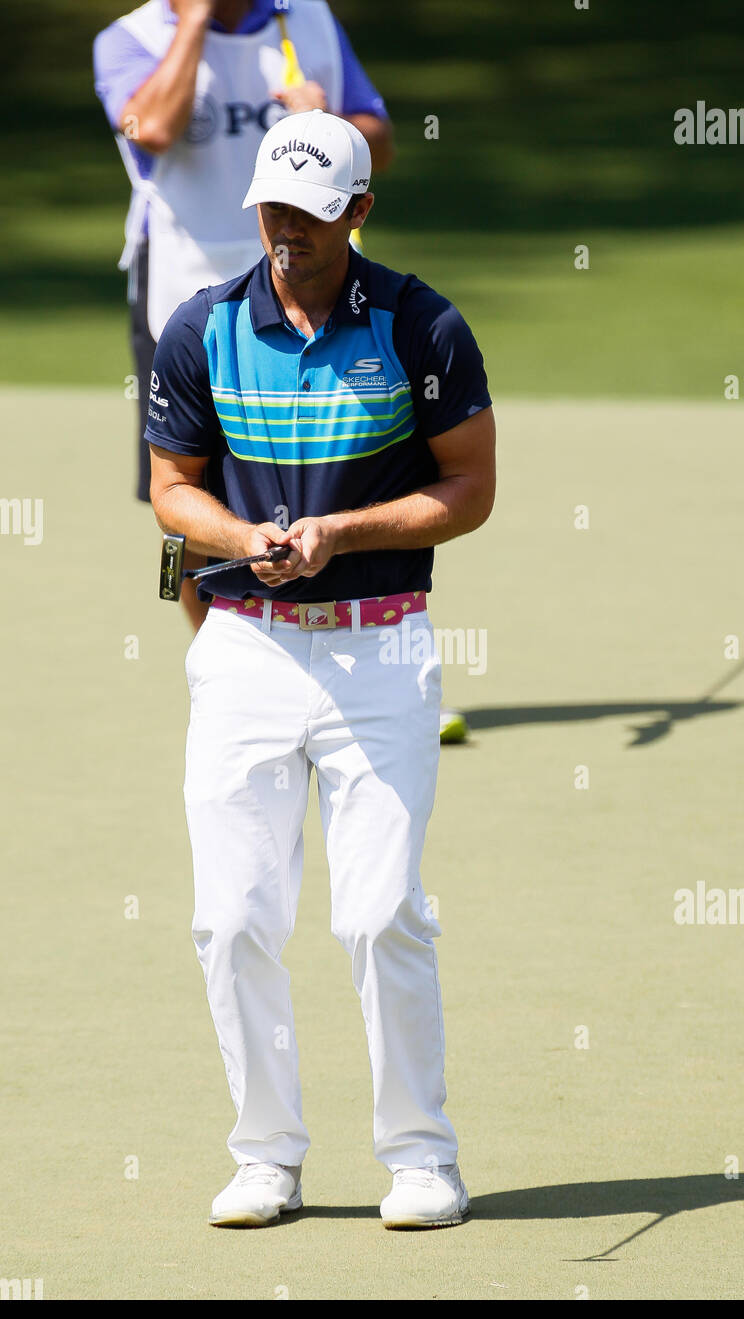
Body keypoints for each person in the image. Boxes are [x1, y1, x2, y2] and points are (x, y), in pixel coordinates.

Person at [146, 109, 496, 1228]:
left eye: (308, 209)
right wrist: (245, 540)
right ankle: (266, 1155)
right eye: (271, 207)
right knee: (232, 918)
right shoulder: (202, 325)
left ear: (357, 211)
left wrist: (341, 534)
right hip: (243, 649)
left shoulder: (419, 325)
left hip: (380, 647)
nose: (284, 228)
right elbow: (172, 487)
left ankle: (419, 1156)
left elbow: (469, 486)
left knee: (379, 910)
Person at [93, 0, 393, 626]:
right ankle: (217, 665)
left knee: (352, 476)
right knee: (189, 497)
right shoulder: (130, 38)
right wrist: (196, 21)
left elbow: (379, 144)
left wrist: (328, 123)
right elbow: (151, 128)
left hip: (314, 283)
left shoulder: (308, 18)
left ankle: (375, 656)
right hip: (183, 289)